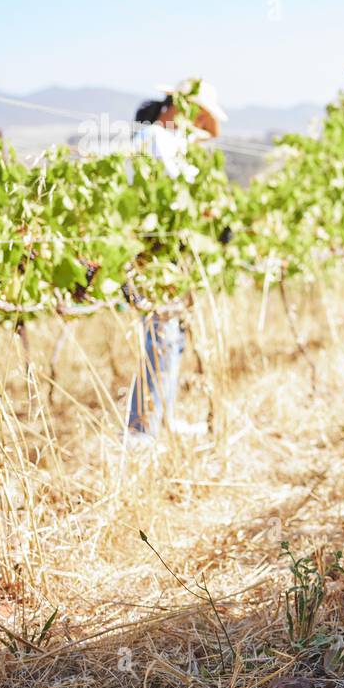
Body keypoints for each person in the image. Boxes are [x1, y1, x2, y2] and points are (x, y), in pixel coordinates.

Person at [123, 77, 228, 451]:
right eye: (198, 120)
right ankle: (141, 435)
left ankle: (156, 424)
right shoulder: (158, 141)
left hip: (162, 255)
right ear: (182, 110)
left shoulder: (163, 140)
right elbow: (179, 197)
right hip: (151, 256)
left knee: (170, 340)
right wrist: (214, 219)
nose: (199, 130)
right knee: (161, 341)